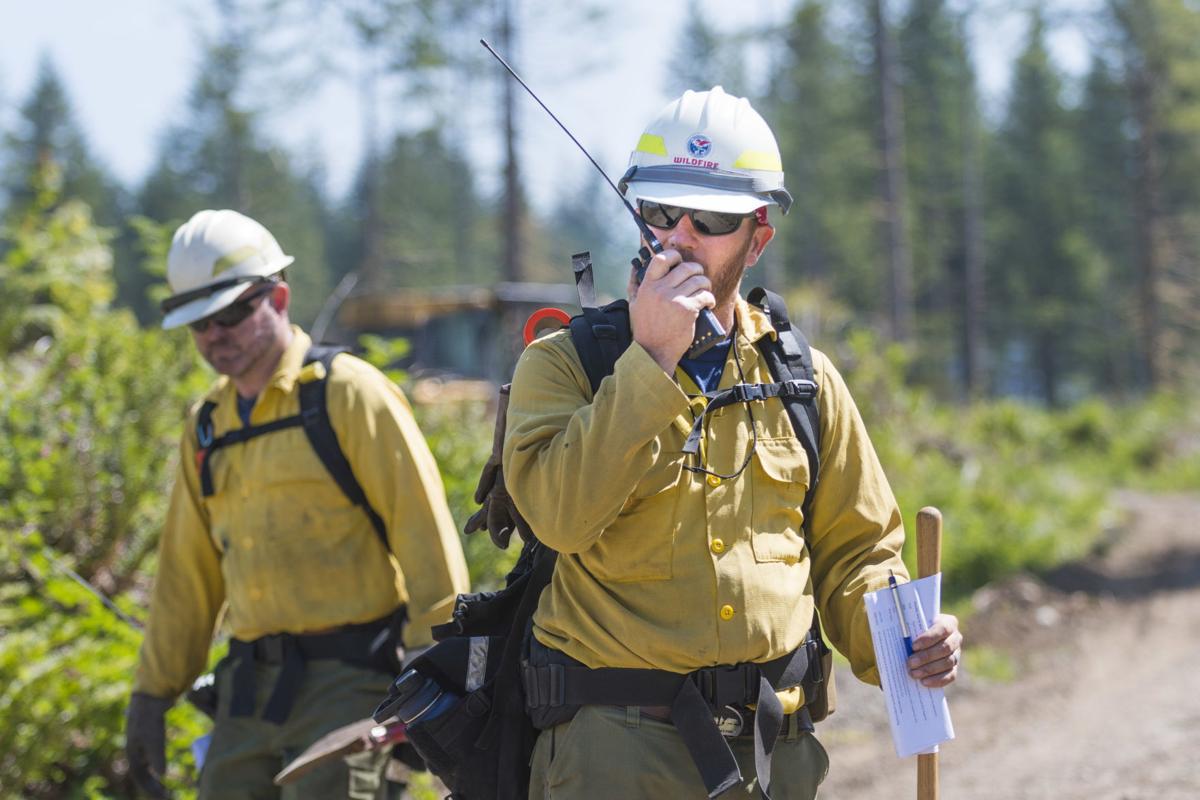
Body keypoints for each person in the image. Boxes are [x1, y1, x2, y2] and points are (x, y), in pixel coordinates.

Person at [502, 87, 963, 799]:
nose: (680, 236)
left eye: (711, 218)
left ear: (758, 236)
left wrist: (907, 643)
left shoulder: (804, 378)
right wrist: (651, 361)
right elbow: (560, 519)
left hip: (776, 754)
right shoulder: (565, 365)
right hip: (615, 757)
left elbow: (858, 552)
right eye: (661, 211)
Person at [124, 209, 470, 800]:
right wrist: (151, 695)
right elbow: (186, 577)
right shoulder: (207, 426)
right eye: (199, 323)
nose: (214, 334)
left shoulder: (349, 394)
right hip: (247, 690)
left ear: (278, 297)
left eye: (230, 314)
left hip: (354, 684)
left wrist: (432, 677)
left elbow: (426, 541)